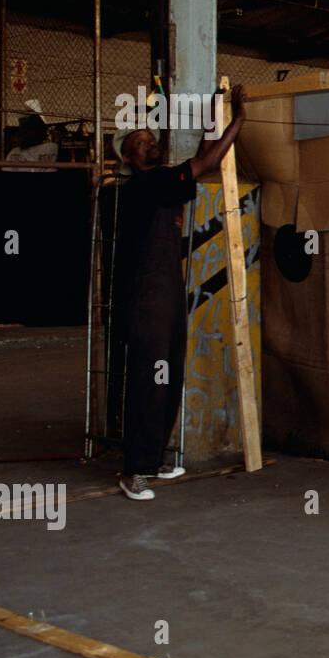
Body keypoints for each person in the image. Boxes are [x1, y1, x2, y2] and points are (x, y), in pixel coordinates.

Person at [110, 85, 247, 500]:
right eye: (141, 143)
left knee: (168, 378)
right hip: (147, 296)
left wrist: (213, 113)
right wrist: (237, 119)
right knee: (149, 382)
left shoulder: (165, 181)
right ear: (129, 157)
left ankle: (151, 461)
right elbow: (207, 161)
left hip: (167, 290)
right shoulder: (147, 185)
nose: (150, 145)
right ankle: (134, 471)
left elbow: (199, 157)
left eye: (151, 140)